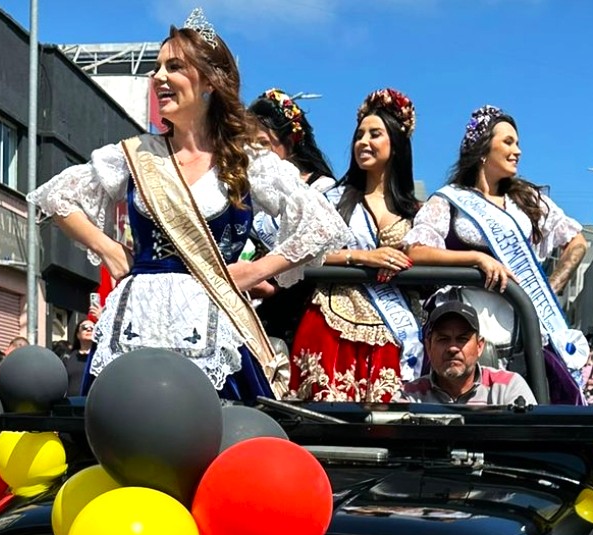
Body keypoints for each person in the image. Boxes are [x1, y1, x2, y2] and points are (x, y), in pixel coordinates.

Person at [31, 11, 347, 399]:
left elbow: (322, 225)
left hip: (212, 320)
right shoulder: (134, 155)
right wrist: (108, 247)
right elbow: (57, 198)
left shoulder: (246, 160)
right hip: (136, 319)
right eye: (157, 67)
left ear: (211, 82)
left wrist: (257, 269)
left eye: (174, 66)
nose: (158, 77)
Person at [402, 105, 589, 405]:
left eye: (517, 143)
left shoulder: (527, 200)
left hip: (524, 336)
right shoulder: (449, 200)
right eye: (509, 142)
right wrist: (476, 260)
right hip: (466, 329)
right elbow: (415, 250)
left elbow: (577, 243)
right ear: (483, 148)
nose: (518, 151)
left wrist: (549, 289)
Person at [288, 88, 422, 403]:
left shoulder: (415, 212)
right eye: (359, 134)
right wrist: (362, 257)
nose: (363, 141)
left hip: (392, 330)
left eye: (375, 134)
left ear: (397, 144)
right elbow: (300, 253)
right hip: (330, 324)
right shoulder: (333, 199)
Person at [249, 87, 338, 343]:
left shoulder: (322, 189)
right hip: (249, 310)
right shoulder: (243, 189)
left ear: (289, 142)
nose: (255, 153)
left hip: (300, 313)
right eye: (248, 144)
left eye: (263, 144)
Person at [403, 289, 535, 406]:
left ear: (479, 346)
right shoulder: (409, 396)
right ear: (428, 347)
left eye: (462, 339)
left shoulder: (509, 387)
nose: (452, 348)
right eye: (443, 339)